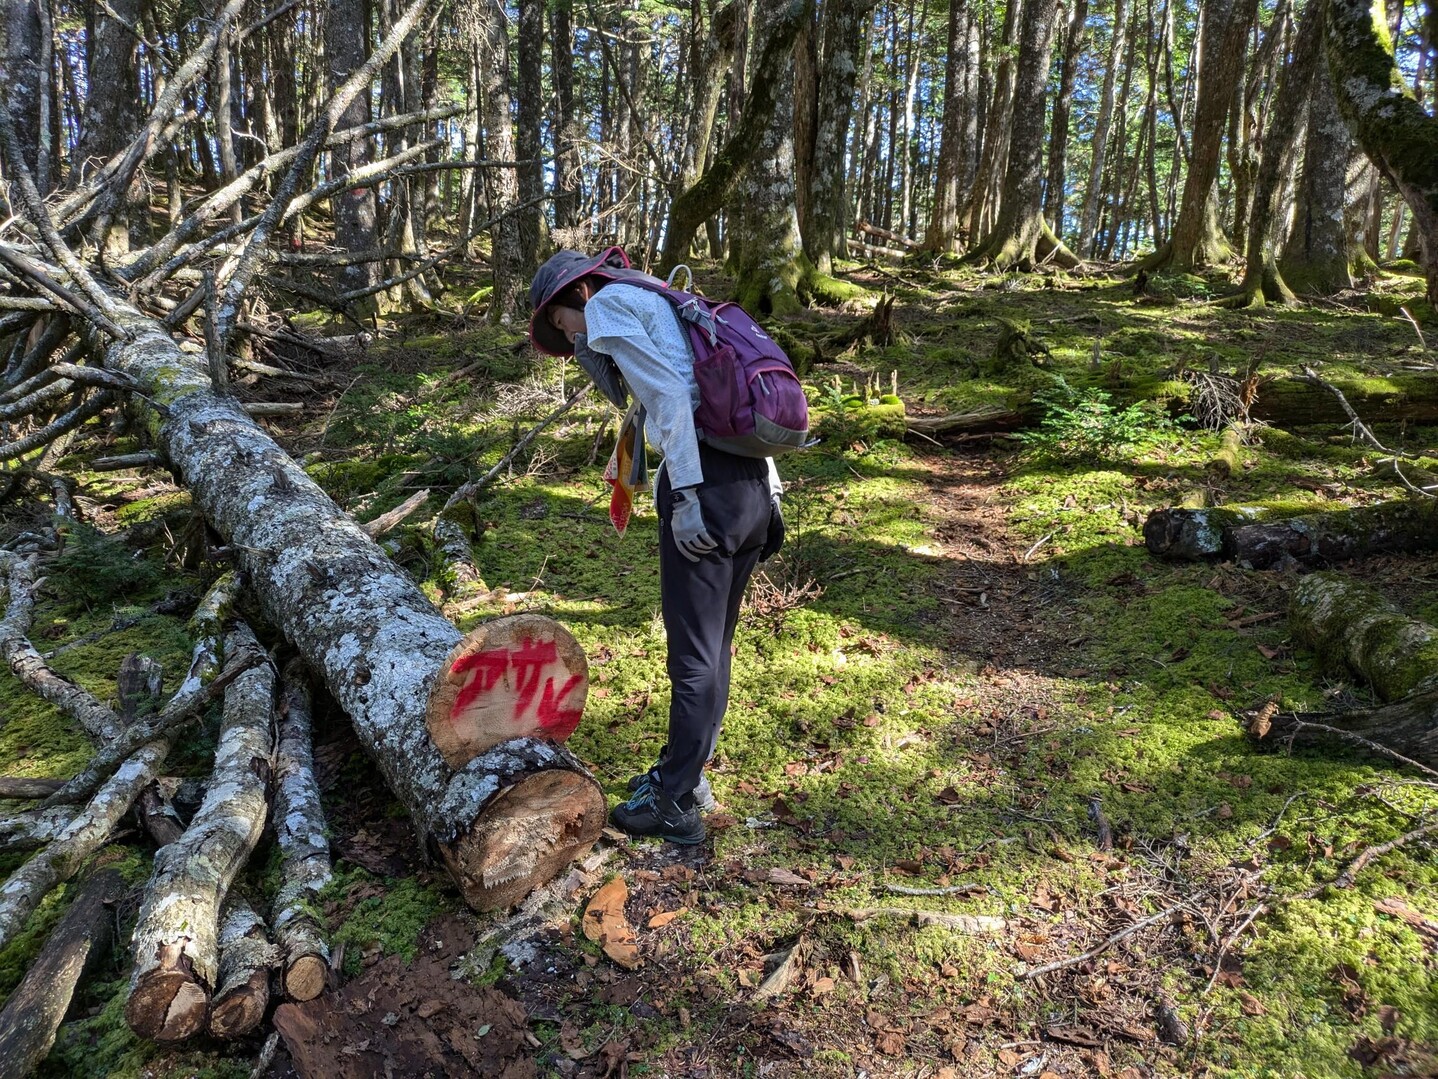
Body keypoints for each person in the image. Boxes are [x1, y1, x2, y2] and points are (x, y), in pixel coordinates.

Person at [529, 249, 784, 845]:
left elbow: (670, 396)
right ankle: (689, 780)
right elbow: (713, 390)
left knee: (692, 655)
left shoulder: (612, 304)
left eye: (564, 325)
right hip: (748, 486)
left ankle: (674, 804)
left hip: (707, 487)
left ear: (578, 297)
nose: (571, 340)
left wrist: (689, 496)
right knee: (714, 647)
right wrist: (770, 496)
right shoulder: (662, 300)